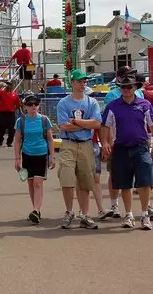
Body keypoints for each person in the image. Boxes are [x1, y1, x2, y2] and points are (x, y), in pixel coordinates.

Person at [100, 73, 153, 230]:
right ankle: (129, 214)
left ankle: (144, 215)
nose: (126, 90)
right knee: (125, 183)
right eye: (123, 87)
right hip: (121, 148)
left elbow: (151, 124)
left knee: (145, 182)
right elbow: (104, 126)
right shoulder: (113, 106)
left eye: (129, 86)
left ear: (135, 87)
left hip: (141, 147)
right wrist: (104, 142)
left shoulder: (145, 105)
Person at [56, 69, 101, 230]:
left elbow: (97, 123)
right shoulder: (63, 103)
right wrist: (85, 123)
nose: (83, 84)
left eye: (85, 81)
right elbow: (63, 126)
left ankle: (85, 214)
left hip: (86, 144)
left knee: (85, 180)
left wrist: (75, 121)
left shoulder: (92, 103)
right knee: (67, 178)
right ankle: (69, 212)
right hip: (68, 143)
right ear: (72, 83)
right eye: (80, 81)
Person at [13, 95, 55, 224]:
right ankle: (35, 210)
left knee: (38, 182)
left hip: (41, 154)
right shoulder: (21, 121)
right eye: (30, 105)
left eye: (35, 104)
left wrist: (52, 156)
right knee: (31, 183)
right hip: (27, 154)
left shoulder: (44, 120)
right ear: (25, 107)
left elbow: (50, 138)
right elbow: (18, 140)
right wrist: (17, 158)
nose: (33, 107)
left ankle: (36, 210)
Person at [0, 81, 22, 147]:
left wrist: (19, 111)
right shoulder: (1, 92)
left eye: (9, 84)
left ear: (11, 86)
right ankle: (1, 139)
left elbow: (18, 105)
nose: (7, 86)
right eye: (7, 85)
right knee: (2, 127)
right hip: (3, 113)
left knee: (12, 128)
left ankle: (9, 142)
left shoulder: (14, 94)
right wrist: (1, 86)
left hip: (11, 113)